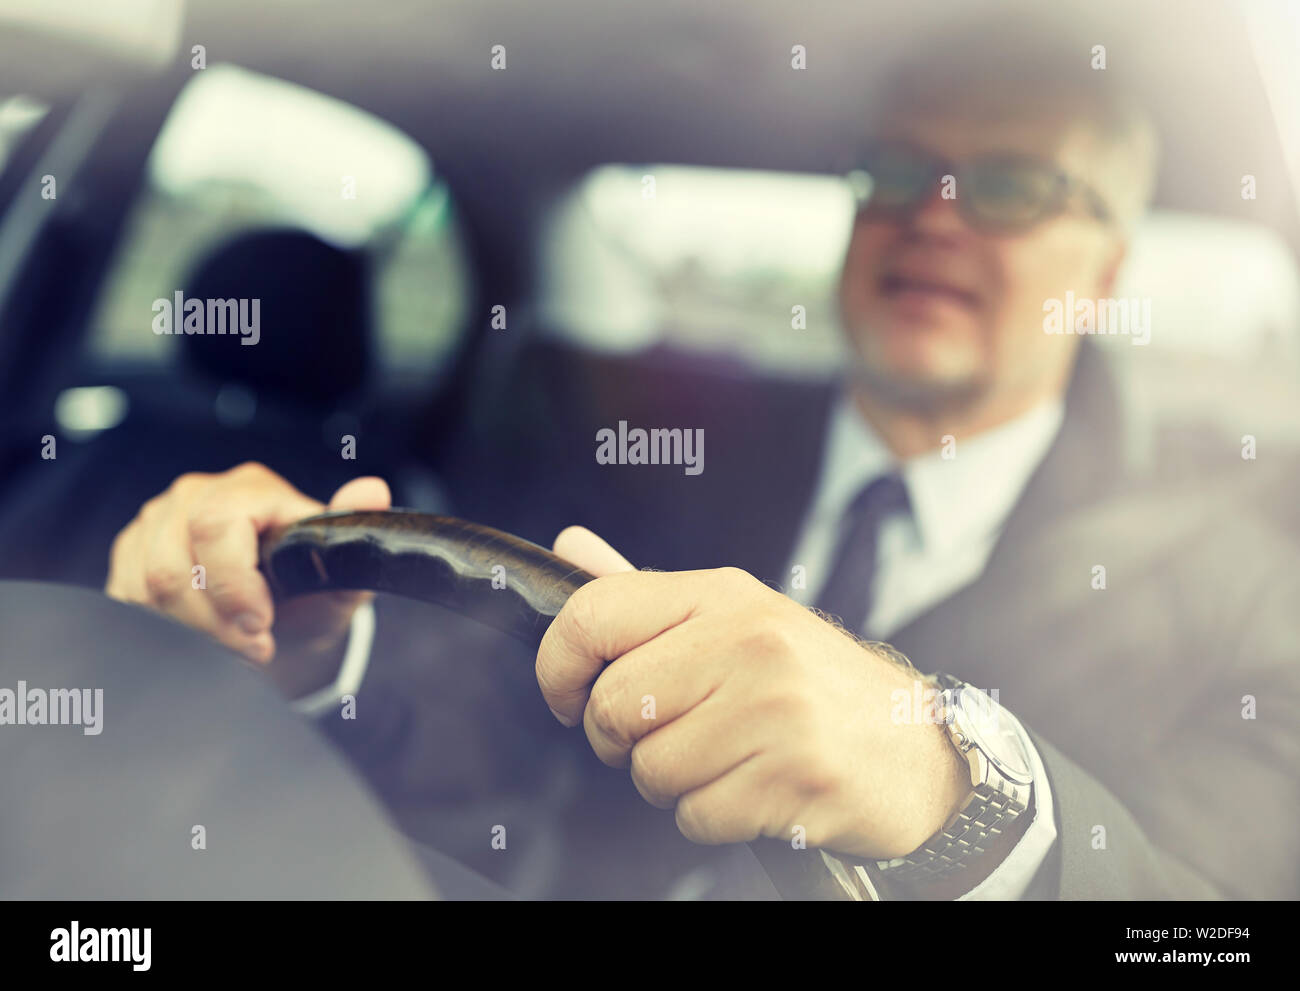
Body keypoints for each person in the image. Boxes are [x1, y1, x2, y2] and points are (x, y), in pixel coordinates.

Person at [103, 29, 1300, 899]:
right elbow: (490, 704)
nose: (931, 214)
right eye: (894, 172)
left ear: (1101, 274)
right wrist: (321, 640)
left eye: (1004, 186)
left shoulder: (1246, 591)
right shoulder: (660, 441)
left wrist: (954, 794)